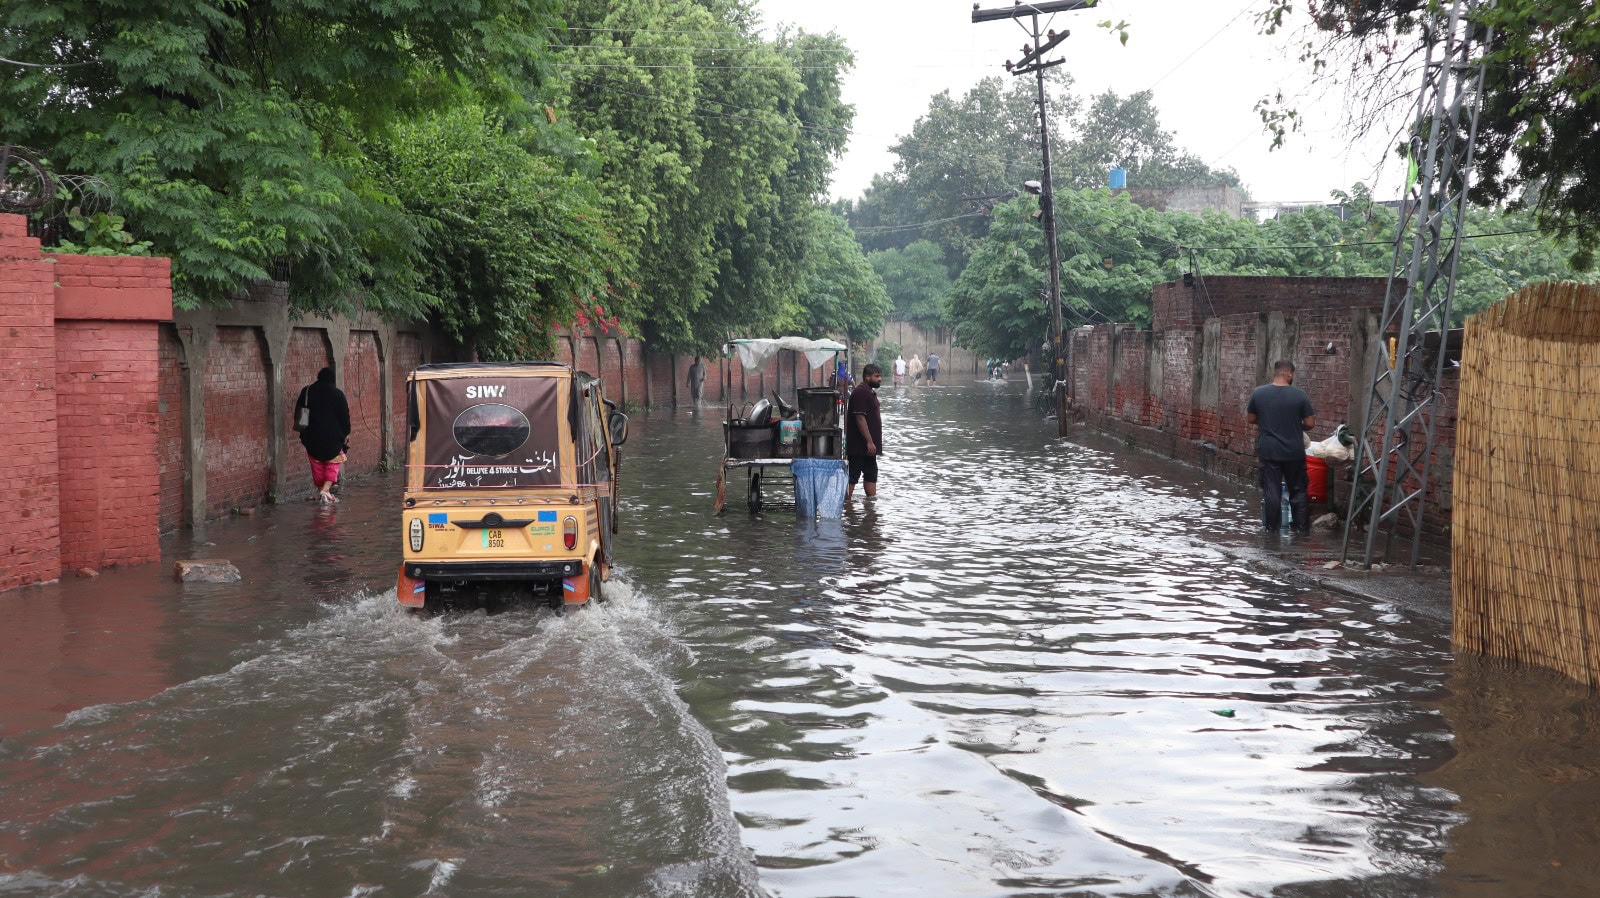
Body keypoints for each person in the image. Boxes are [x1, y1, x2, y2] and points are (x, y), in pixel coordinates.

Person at [1247, 360, 1315, 533]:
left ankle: (1271, 532)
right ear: (1289, 374)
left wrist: (1268, 421)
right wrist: (1296, 425)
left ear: (1275, 373)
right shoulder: (1299, 395)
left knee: (1272, 491)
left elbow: (1251, 418)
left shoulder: (1259, 393)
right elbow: (1310, 423)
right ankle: (1300, 531)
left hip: (1269, 451)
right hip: (1294, 451)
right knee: (1298, 491)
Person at [296, 367, 351, 504]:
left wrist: (303, 432)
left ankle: (324, 494)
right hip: (333, 437)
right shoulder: (338, 394)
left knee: (317, 466)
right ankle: (325, 491)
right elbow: (344, 417)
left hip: (311, 436)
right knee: (333, 464)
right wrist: (346, 432)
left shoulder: (307, 391)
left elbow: (299, 412)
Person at [845, 363, 884, 501]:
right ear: (867, 377)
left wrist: (872, 444)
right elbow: (860, 418)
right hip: (860, 447)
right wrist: (869, 441)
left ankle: (870, 512)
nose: (880, 379)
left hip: (869, 449)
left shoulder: (869, 392)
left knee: (871, 475)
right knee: (852, 477)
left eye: (880, 376)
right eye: (876, 376)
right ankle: (846, 508)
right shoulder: (861, 392)